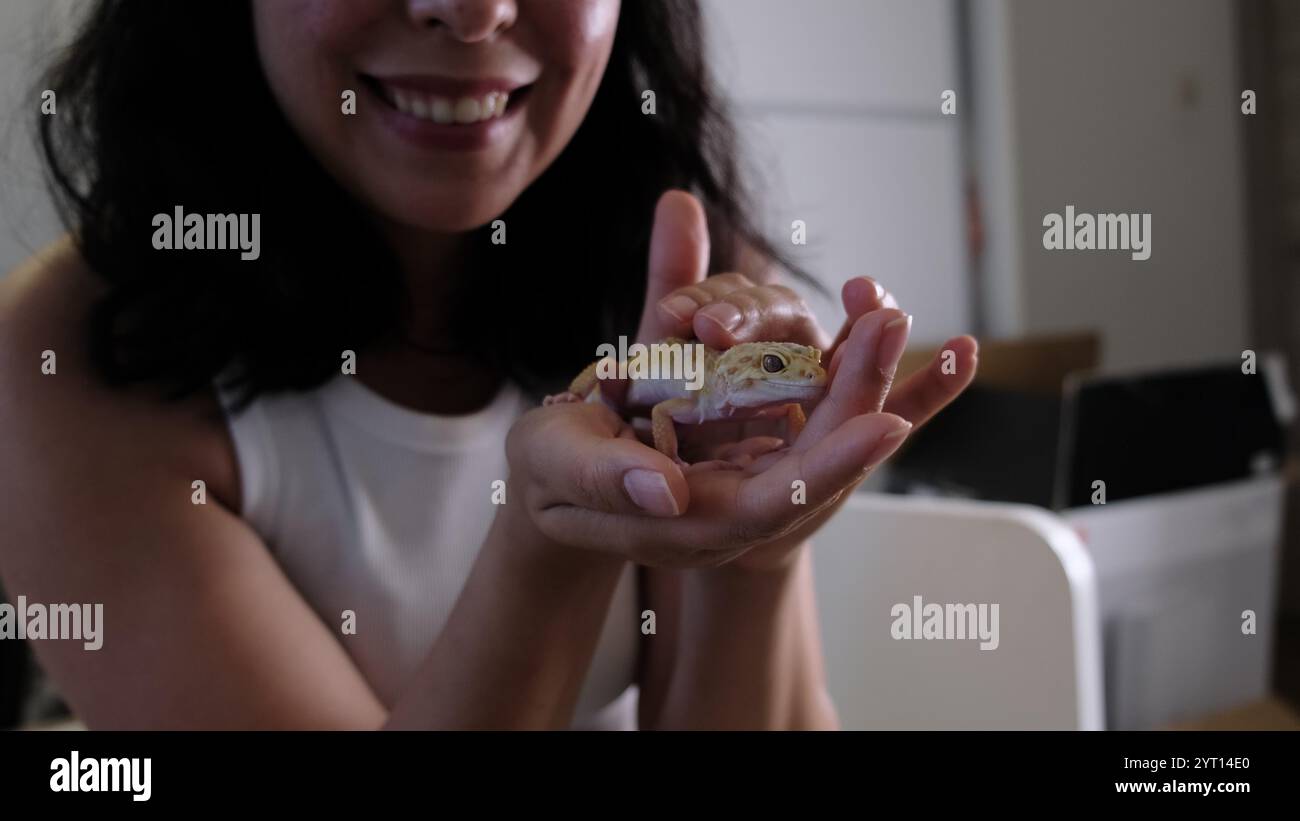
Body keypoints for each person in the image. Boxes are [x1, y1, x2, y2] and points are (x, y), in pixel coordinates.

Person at [0, 0, 977, 729]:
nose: (469, 12)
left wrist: (755, 551)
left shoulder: (683, 273)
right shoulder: (61, 358)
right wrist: (548, 542)